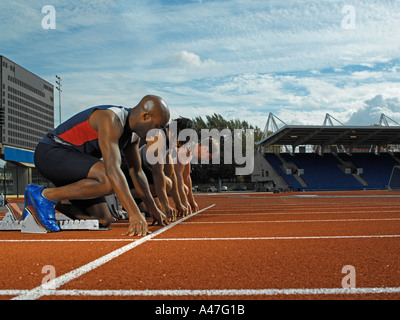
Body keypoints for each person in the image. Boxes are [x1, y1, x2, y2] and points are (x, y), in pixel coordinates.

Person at [26, 95, 170, 236]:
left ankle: (46, 201)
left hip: (74, 165)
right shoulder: (111, 119)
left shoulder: (133, 136)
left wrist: (154, 209)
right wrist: (134, 213)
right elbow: (112, 169)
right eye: (157, 127)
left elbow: (137, 172)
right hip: (50, 153)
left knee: (102, 220)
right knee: (108, 180)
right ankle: (45, 195)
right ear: (145, 116)